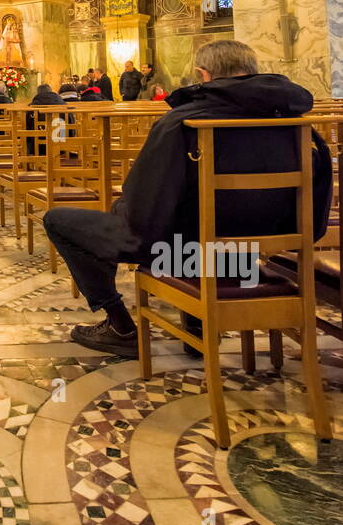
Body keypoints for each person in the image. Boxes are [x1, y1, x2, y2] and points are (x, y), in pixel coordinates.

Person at [42, 39, 333, 358]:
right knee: (204, 226)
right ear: (251, 71)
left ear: (203, 74)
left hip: (184, 251)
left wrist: (120, 209)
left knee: (60, 220)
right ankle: (196, 325)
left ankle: (120, 327)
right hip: (247, 254)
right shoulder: (295, 119)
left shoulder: (184, 122)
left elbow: (143, 214)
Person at [25, 82, 65, 156]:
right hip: (61, 142)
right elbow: (70, 120)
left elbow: (27, 126)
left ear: (38, 93)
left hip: (38, 146)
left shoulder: (33, 106)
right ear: (51, 91)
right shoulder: (62, 103)